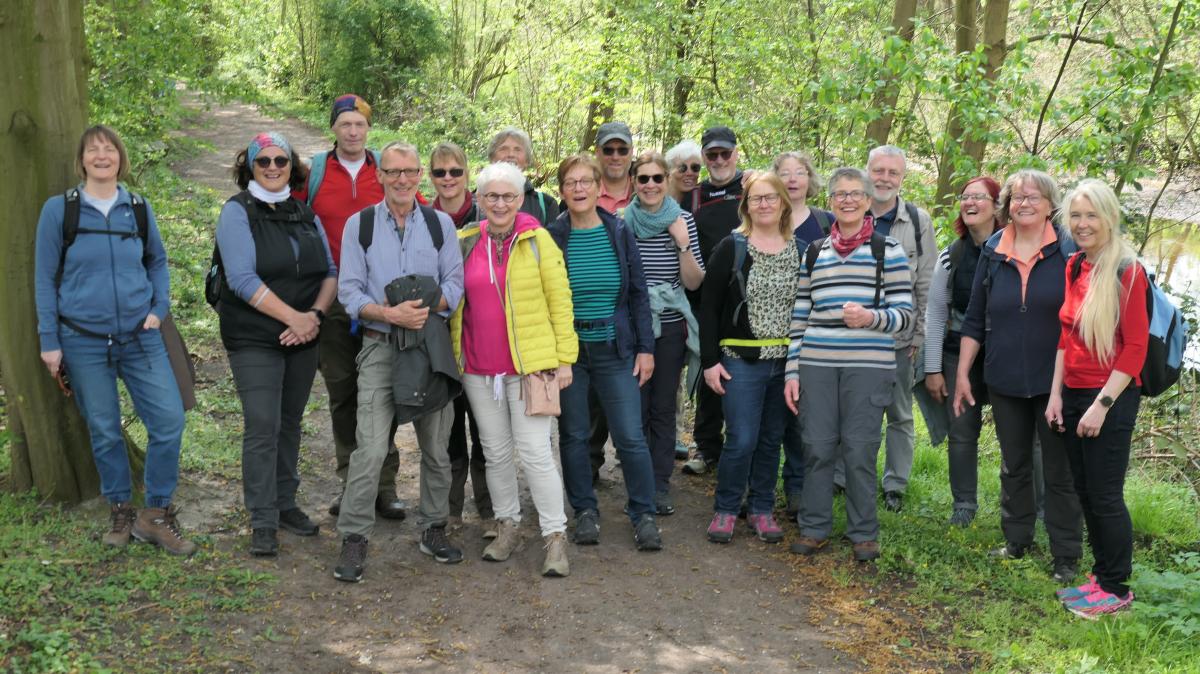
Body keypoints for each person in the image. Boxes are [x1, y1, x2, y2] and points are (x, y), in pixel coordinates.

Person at [35, 125, 195, 556]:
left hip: (141, 339)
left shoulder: (138, 209)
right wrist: (49, 341)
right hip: (82, 340)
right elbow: (43, 278)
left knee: (169, 421)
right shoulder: (59, 211)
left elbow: (157, 261)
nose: (101, 156)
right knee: (104, 429)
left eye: (109, 149)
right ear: (82, 160)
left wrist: (158, 309)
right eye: (92, 150)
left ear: (121, 159)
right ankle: (121, 509)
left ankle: (156, 513)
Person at [333, 141, 465, 582]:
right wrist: (389, 314)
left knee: (436, 445)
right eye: (394, 172)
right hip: (379, 345)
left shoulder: (440, 224)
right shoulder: (361, 225)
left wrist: (423, 311)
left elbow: (455, 284)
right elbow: (348, 291)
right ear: (382, 176)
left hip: (430, 347)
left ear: (419, 176)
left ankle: (434, 527)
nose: (403, 179)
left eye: (410, 171)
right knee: (369, 447)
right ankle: (354, 536)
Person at [953, 169, 1083, 582]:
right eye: (1017, 198)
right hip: (1004, 376)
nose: (1025, 204)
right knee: (1014, 464)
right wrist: (962, 375)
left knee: (1060, 470)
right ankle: (1017, 541)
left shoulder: (1069, 250)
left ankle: (1066, 555)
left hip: (1057, 381)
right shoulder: (993, 249)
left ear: (1050, 204)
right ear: (1006, 205)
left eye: (1034, 197)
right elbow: (975, 318)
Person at [450, 161, 577, 576]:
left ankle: (555, 538)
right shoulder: (466, 240)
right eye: (491, 196)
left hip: (530, 369)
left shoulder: (539, 241)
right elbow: (453, 303)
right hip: (478, 368)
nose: (500, 203)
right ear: (479, 199)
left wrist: (564, 360)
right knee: (496, 453)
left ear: (521, 199)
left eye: (508, 196)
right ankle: (507, 527)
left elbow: (561, 302)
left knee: (537, 453)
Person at [215, 132, 337, 556]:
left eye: (280, 161)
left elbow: (331, 270)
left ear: (292, 166)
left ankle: (286, 503)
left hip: (303, 336)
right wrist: (296, 319)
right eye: (262, 161)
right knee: (262, 426)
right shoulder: (237, 212)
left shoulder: (304, 213)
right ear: (249, 166)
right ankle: (262, 519)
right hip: (255, 338)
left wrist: (315, 318)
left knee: (290, 422)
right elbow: (242, 279)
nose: (271, 167)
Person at [784, 167, 913, 562]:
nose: (848, 201)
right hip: (816, 365)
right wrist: (792, 370)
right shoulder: (814, 251)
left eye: (855, 194)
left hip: (868, 367)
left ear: (868, 199)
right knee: (818, 448)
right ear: (831, 201)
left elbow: (906, 314)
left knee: (859, 450)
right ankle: (814, 527)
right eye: (840, 194)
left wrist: (871, 318)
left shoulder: (886, 250)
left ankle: (863, 533)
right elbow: (800, 314)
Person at [547, 154, 662, 551]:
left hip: (616, 348)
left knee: (630, 436)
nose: (579, 189)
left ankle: (643, 513)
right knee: (574, 435)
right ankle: (584, 512)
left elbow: (637, 293)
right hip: (570, 352)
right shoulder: (552, 236)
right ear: (561, 191)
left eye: (586, 182)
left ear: (600, 187)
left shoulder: (618, 230)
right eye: (570, 183)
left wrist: (645, 349)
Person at [304, 94, 407, 522]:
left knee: (383, 393)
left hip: (381, 302)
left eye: (359, 125)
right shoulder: (312, 173)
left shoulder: (381, 170)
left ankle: (385, 486)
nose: (351, 131)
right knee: (343, 394)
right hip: (334, 302)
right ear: (333, 128)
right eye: (344, 124)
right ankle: (351, 483)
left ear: (368, 130)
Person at [1046, 179, 1147, 618]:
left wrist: (1101, 405)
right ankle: (1100, 577)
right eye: (1076, 216)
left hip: (1111, 397)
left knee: (1105, 495)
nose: (1083, 224)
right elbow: (1066, 337)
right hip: (1072, 393)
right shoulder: (1075, 265)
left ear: (1109, 219)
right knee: (1084, 490)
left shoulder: (1128, 270)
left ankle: (1117, 588)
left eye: (1091, 216)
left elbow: (1135, 347)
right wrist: (1055, 396)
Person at [699, 172, 800, 544]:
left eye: (771, 198)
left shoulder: (801, 249)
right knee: (741, 438)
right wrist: (709, 361)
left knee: (771, 438)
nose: (764, 205)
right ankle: (726, 509)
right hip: (740, 360)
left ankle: (761, 509)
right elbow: (708, 308)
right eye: (756, 199)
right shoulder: (732, 247)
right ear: (746, 206)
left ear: (783, 203)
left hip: (785, 363)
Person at [838, 145, 936, 513]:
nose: (884, 178)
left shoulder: (916, 220)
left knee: (899, 414)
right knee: (848, 408)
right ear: (867, 171)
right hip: (849, 336)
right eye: (878, 171)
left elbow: (925, 283)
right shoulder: (849, 212)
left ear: (902, 178)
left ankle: (895, 484)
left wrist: (918, 334)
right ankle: (840, 476)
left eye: (892, 173)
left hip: (896, 337)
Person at [627, 152, 705, 516]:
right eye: (643, 178)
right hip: (632, 324)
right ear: (633, 182)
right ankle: (637, 482)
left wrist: (682, 243)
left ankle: (659, 485)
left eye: (658, 178)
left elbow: (693, 282)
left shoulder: (683, 220)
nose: (651, 185)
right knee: (635, 409)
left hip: (671, 324)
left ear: (666, 180)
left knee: (662, 408)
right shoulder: (620, 222)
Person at [923, 177, 1003, 527]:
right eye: (965, 197)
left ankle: (1030, 509)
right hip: (958, 356)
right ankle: (964, 506)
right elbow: (936, 312)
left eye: (979, 197)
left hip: (1006, 357)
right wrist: (932, 368)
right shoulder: (951, 255)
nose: (970, 203)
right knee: (961, 433)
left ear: (997, 206)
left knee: (1021, 438)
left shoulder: (1016, 250)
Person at [429, 142, 494, 536]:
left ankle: (488, 510)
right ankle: (451, 508)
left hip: (483, 335)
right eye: (440, 173)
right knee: (448, 426)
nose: (448, 179)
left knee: (485, 428)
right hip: (439, 335)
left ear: (467, 175)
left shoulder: (488, 214)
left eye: (455, 172)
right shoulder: (422, 218)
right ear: (430, 177)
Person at [773, 151, 834, 516]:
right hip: (766, 334)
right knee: (767, 419)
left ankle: (797, 490)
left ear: (810, 180)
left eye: (800, 173)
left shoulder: (826, 223)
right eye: (785, 173)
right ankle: (758, 489)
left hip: (812, 333)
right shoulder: (765, 216)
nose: (793, 179)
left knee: (801, 420)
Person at [683, 126, 745, 476]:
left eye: (725, 153)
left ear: (736, 153)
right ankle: (706, 447)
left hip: (746, 298)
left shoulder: (753, 188)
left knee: (743, 374)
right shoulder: (692, 196)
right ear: (704, 158)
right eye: (712, 155)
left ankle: (740, 448)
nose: (719, 160)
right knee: (708, 367)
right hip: (703, 297)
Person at [486, 127, 559, 226]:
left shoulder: (546, 205)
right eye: (504, 149)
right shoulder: (476, 201)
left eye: (517, 149)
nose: (511, 154)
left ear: (526, 161)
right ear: (492, 158)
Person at [594, 121, 635, 214]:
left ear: (631, 152)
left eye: (623, 150)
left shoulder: (648, 190)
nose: (615, 157)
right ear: (597, 152)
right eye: (608, 150)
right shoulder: (580, 193)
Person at [666, 140, 703, 207]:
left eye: (695, 168)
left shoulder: (702, 202)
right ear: (669, 171)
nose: (689, 173)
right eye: (682, 168)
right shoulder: (654, 200)